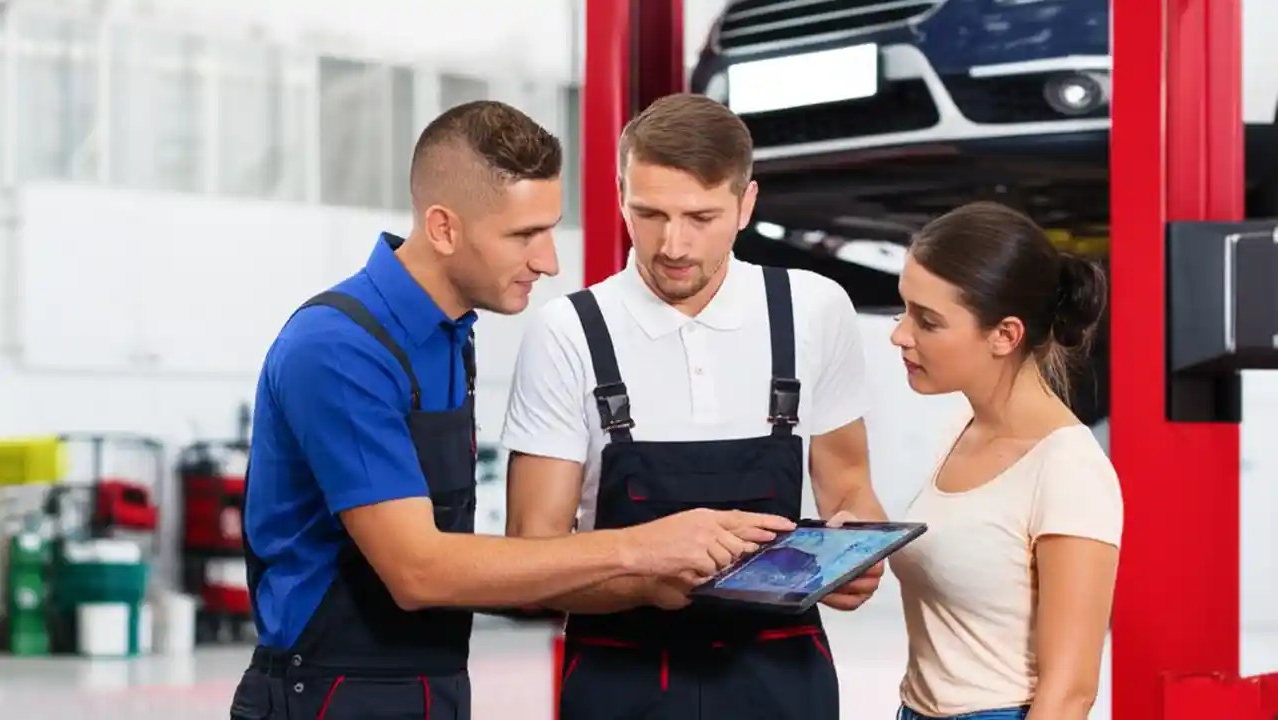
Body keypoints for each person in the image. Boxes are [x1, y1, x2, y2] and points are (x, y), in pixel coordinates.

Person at [228, 100, 793, 720]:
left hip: (429, 686)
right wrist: (643, 548)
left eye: (550, 229)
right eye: (524, 235)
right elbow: (420, 571)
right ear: (444, 228)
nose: (548, 261)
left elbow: (474, 566)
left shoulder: (448, 337)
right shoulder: (340, 349)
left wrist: (649, 584)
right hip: (328, 697)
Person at [501, 92, 888, 720]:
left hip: (781, 675)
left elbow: (850, 489)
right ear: (620, 192)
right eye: (648, 213)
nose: (672, 245)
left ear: (746, 205)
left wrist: (856, 552)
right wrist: (647, 574)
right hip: (619, 677)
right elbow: (530, 557)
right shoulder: (567, 332)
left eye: (700, 217)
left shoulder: (814, 310)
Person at [886, 202, 1123, 720]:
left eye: (927, 322)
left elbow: (1069, 693)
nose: (900, 335)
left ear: (1005, 335)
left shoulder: (1069, 470)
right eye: (903, 309)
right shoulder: (961, 429)